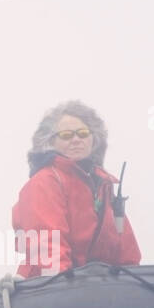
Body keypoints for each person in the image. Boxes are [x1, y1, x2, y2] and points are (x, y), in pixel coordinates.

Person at [11, 100, 142, 278]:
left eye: (82, 133)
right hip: (52, 289)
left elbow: (127, 254)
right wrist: (63, 291)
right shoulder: (44, 182)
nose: (76, 139)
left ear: (93, 139)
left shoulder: (105, 188)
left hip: (97, 290)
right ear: (50, 142)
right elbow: (48, 250)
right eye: (66, 135)